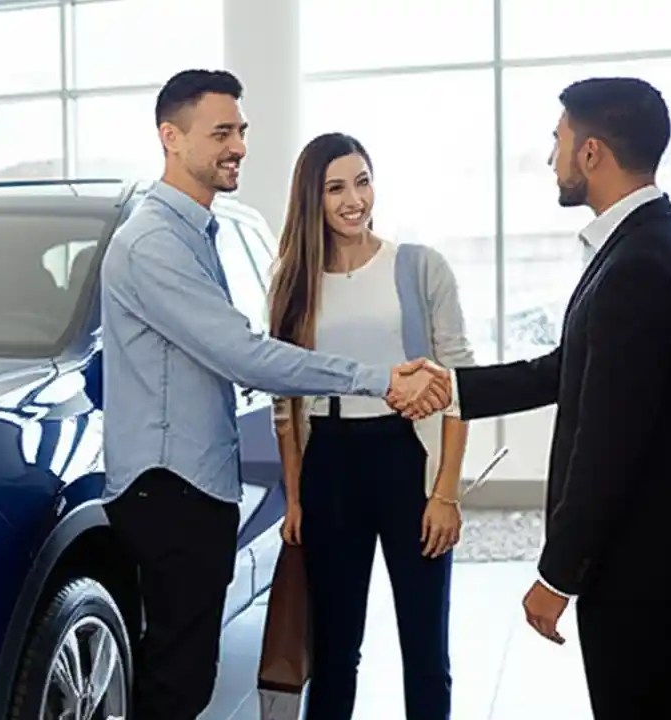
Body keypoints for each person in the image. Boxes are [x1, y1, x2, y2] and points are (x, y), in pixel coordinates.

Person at [98, 69, 451, 720]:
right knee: (177, 678)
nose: (237, 146)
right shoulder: (155, 243)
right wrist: (377, 378)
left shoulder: (191, 234)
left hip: (195, 484)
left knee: (183, 669)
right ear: (170, 138)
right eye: (220, 132)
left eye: (241, 130)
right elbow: (242, 354)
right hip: (171, 488)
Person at [433, 77, 671, 717]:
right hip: (658, 560)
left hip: (642, 569)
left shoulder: (637, 265)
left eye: (558, 142)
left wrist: (557, 575)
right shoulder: (659, 242)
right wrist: (452, 388)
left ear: (591, 153)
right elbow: (568, 369)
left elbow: (606, 446)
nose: (552, 157)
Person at [268, 133, 475, 720]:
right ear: (313, 198)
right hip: (329, 462)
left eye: (362, 181)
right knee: (334, 652)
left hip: (405, 456)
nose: (353, 199)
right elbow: (287, 405)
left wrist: (446, 494)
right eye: (336, 188)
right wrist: (294, 496)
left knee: (425, 648)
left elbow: (460, 388)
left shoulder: (418, 266)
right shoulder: (291, 280)